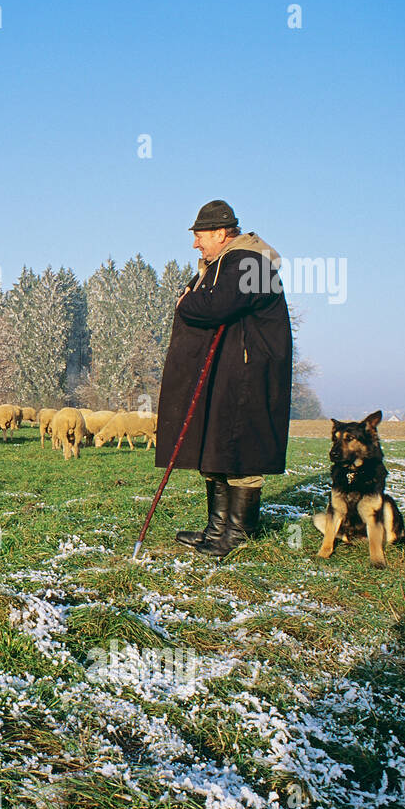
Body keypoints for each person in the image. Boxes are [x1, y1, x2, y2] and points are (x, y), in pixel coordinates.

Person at [156, 200, 292, 556]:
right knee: (215, 444)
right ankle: (216, 529)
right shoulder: (221, 265)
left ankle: (239, 533)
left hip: (248, 374)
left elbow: (215, 305)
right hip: (227, 372)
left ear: (220, 232)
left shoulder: (250, 263)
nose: (195, 245)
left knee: (240, 449)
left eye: (199, 236)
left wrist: (186, 302)